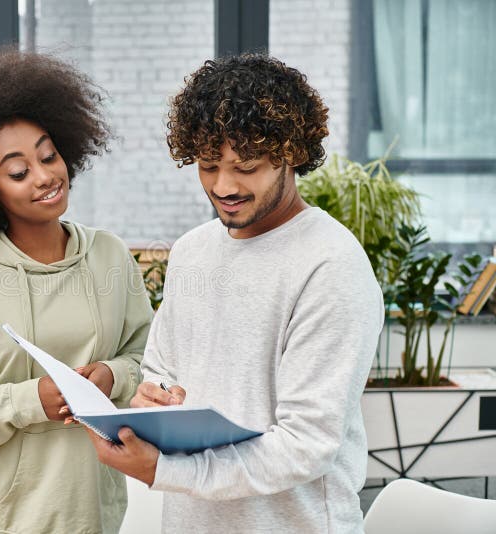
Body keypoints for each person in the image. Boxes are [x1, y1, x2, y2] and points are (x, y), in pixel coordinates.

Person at [85, 53, 384, 533]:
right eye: (208, 165)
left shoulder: (331, 266)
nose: (224, 186)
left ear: (291, 154)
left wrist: (167, 470)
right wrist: (153, 400)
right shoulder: (192, 251)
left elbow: (306, 444)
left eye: (246, 166)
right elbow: (161, 370)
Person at [0, 49, 153, 534]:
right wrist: (30, 399)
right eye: (18, 172)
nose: (44, 176)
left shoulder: (109, 256)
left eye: (48, 155)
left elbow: (147, 355)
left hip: (87, 511)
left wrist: (111, 376)